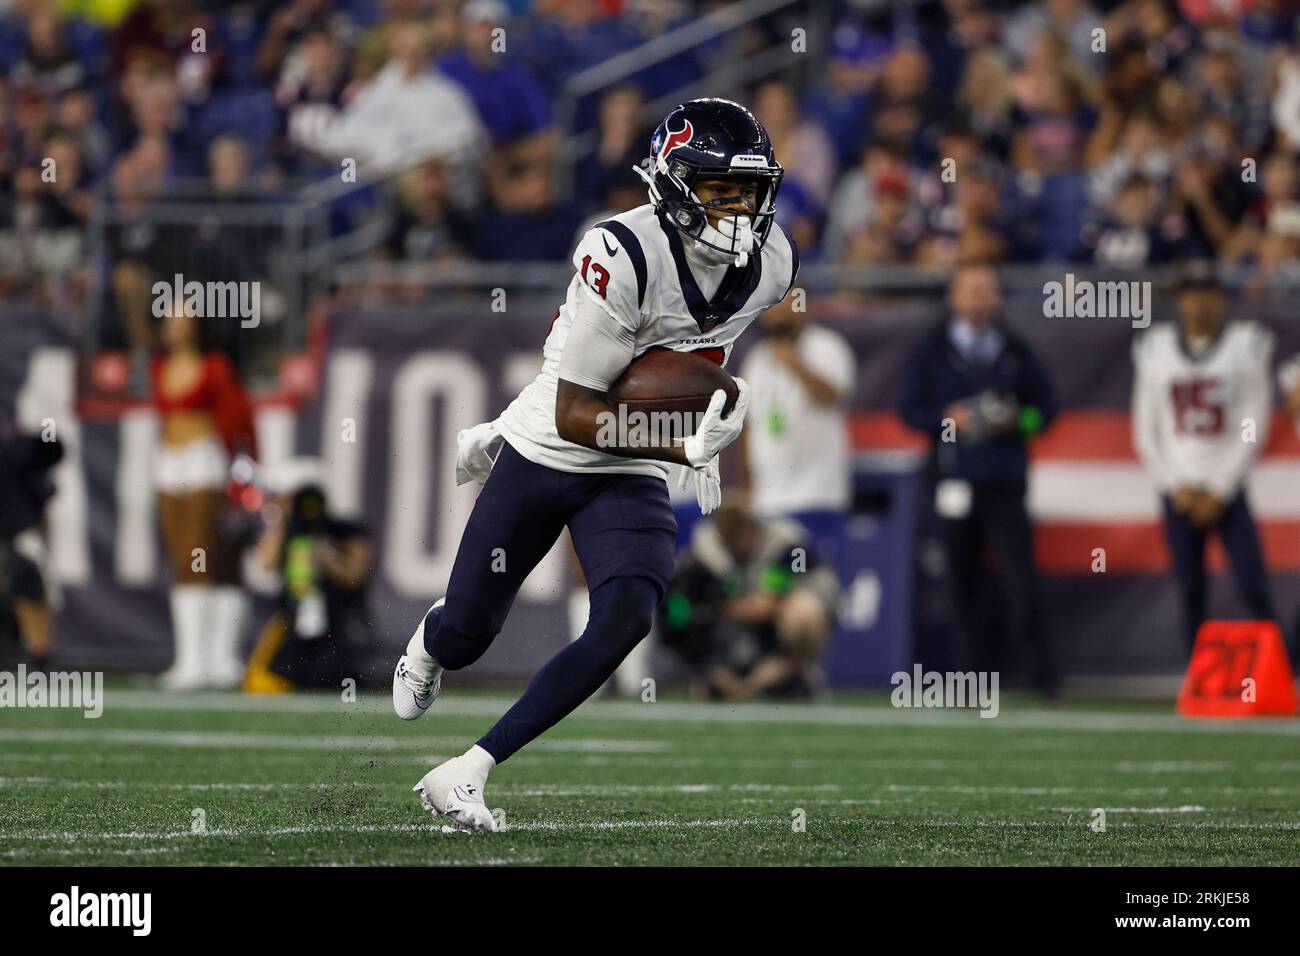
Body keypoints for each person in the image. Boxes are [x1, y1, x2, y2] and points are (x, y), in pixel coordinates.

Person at [390, 98, 798, 831]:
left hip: (628, 463)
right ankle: (433, 639)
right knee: (468, 635)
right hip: (553, 443)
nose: (737, 210)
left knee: (627, 615)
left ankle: (470, 769)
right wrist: (680, 441)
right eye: (716, 190)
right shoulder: (624, 252)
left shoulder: (772, 264)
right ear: (672, 187)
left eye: (748, 192)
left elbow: (695, 366)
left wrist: (720, 401)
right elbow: (579, 412)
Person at [899, 260, 1058, 695]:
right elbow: (910, 411)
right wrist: (947, 419)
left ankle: (1040, 677)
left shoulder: (1014, 350)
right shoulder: (931, 351)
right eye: (971, 289)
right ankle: (971, 677)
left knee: (1019, 579)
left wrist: (1016, 421)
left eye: (987, 288)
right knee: (960, 581)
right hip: (954, 480)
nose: (980, 297)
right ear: (953, 296)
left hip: (1004, 481)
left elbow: (1046, 409)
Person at [1132, 260, 1277, 652]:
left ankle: (1281, 672)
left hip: (1225, 487)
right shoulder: (1155, 348)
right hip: (1177, 485)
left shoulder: (1247, 343)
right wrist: (1172, 485)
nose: (1199, 304)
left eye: (1207, 293)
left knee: (1252, 583)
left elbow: (1253, 423)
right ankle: (1198, 676)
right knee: (1189, 587)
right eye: (1191, 294)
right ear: (1179, 300)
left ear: (1221, 298)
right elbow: (1147, 430)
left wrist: (1221, 486)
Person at [152, 309, 257, 689]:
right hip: (168, 462)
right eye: (171, 319)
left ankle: (216, 658)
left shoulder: (214, 366)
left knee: (204, 557)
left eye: (184, 320)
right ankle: (191, 658)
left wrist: (244, 470)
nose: (176, 327)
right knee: (181, 558)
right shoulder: (159, 366)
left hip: (204, 460)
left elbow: (239, 416)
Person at [660, 498, 837, 701]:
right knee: (686, 607)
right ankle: (710, 675)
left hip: (791, 611)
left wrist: (716, 610)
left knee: (802, 614)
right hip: (738, 619)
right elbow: (683, 603)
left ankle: (796, 670)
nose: (736, 548)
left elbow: (765, 605)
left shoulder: (783, 543)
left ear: (752, 528)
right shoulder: (706, 547)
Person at [739, 290, 856, 568]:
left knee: (818, 585)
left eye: (787, 303)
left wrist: (793, 363)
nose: (778, 312)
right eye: (772, 305)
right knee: (772, 587)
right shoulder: (756, 359)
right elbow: (748, 429)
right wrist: (747, 491)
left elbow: (833, 396)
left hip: (817, 495)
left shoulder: (828, 347)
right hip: (769, 502)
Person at [243, 460, 376, 693]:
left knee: (336, 677)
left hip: (337, 625)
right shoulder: (286, 530)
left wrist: (327, 557)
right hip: (293, 624)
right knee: (262, 682)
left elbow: (355, 576)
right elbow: (266, 564)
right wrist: (281, 522)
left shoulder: (344, 530)